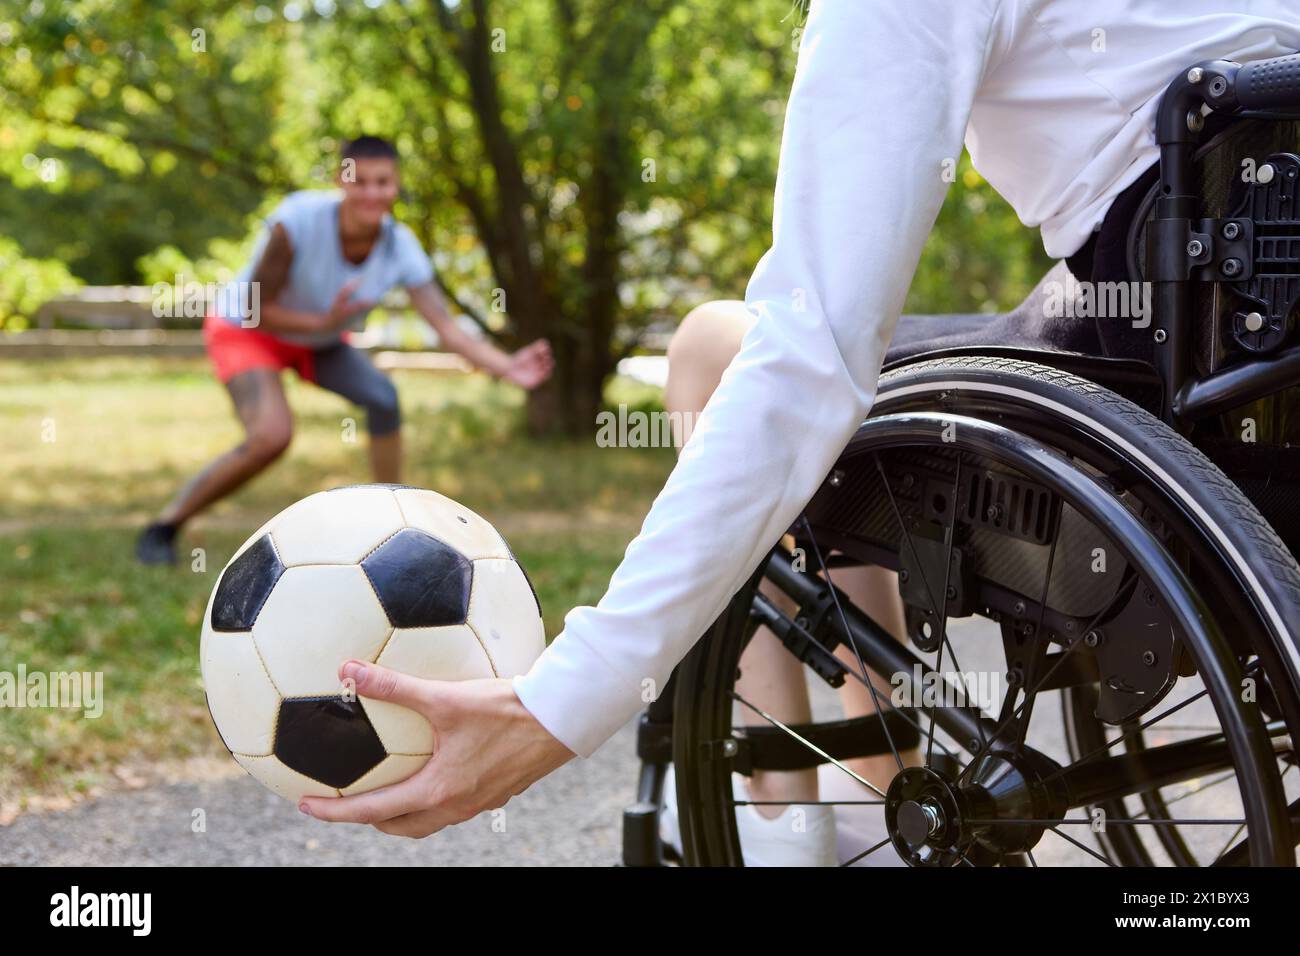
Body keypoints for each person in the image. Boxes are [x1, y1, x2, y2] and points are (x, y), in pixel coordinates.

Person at [297, 0, 1300, 858]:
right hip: (1258, 332)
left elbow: (815, 348)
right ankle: (860, 775)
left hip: (1193, 314)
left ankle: (799, 814)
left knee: (715, 351)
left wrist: (562, 700)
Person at [136, 136, 554, 565]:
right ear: (341, 179)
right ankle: (164, 527)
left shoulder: (400, 246)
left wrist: (508, 366)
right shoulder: (296, 222)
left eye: (384, 182)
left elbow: (447, 329)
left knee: (383, 398)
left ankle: (398, 529)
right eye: (361, 181)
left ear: (396, 186)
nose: (372, 193)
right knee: (271, 437)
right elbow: (253, 310)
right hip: (245, 329)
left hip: (320, 340)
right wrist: (323, 322)